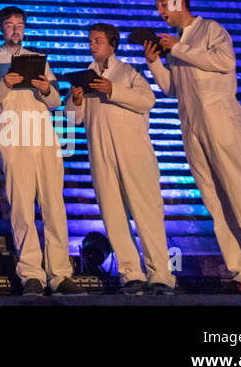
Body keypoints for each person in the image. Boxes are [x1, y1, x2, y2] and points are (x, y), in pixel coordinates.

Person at [143, 0, 241, 293]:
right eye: (158, 5)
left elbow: (225, 62)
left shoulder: (210, 29)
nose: (160, 11)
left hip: (221, 121)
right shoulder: (178, 43)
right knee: (216, 202)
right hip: (192, 126)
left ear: (179, 1)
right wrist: (155, 62)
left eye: (163, 4)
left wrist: (178, 48)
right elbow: (173, 89)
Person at [0, 6, 83, 295]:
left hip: (44, 138)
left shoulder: (38, 60)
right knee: (22, 208)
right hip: (12, 139)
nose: (15, 30)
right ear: (1, 28)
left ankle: (60, 274)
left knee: (54, 206)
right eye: (10, 25)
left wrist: (46, 88)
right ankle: (31, 274)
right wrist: (4, 84)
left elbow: (55, 102)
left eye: (19, 25)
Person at [65, 23, 175, 295]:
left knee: (146, 214)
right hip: (100, 153)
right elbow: (73, 118)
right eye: (91, 40)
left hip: (133, 152)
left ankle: (160, 275)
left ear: (112, 44)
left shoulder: (128, 72)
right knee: (113, 215)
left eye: (98, 40)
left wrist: (112, 89)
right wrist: (76, 99)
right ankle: (131, 274)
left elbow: (147, 101)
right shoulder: (85, 76)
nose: (93, 45)